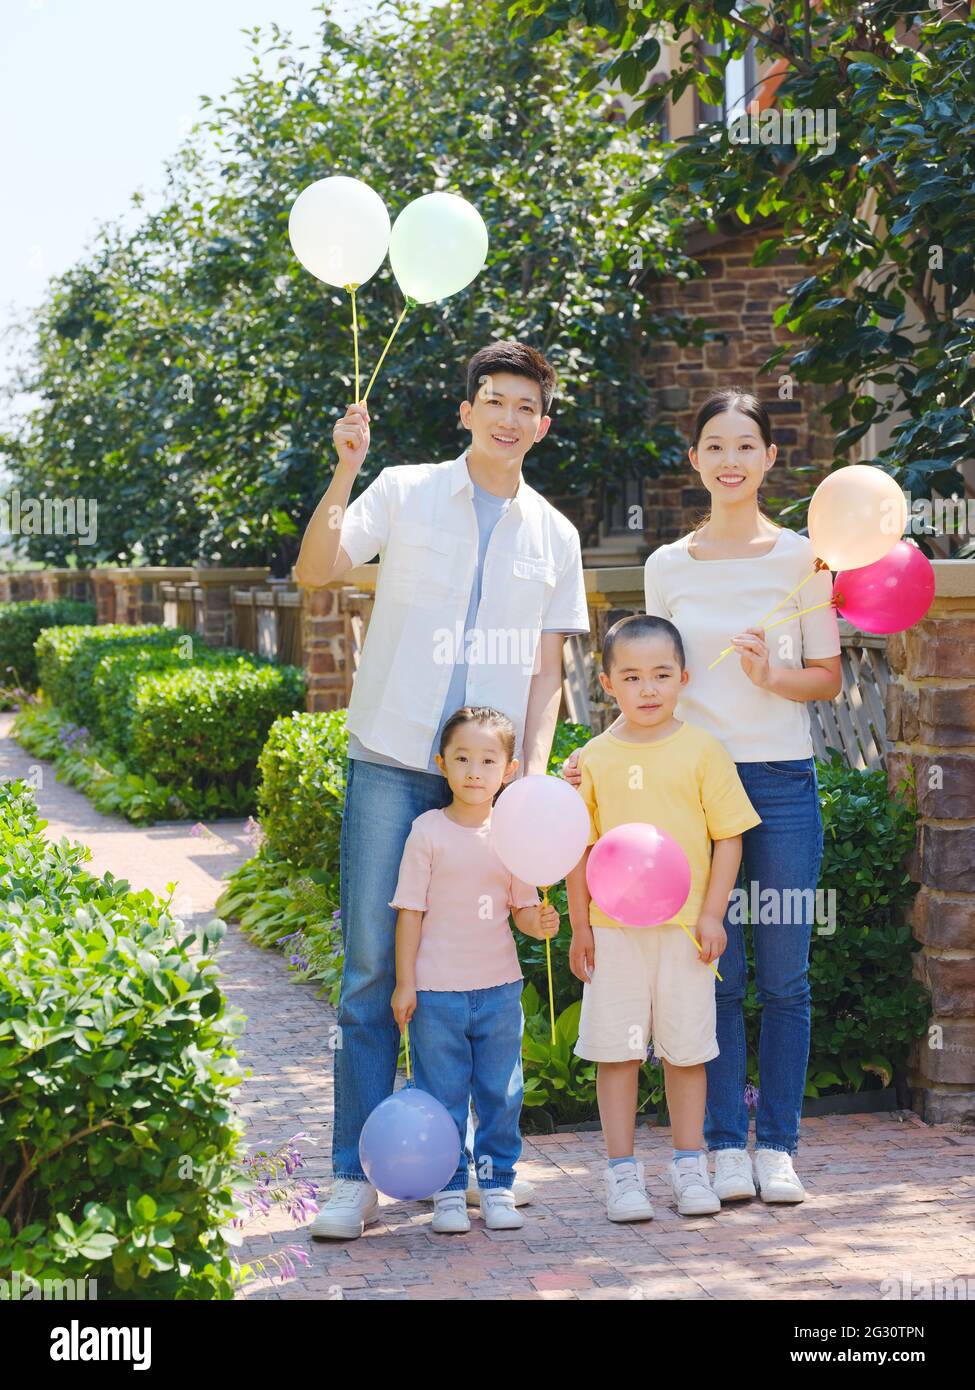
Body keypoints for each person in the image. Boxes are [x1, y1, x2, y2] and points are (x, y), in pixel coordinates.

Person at [293, 341, 589, 1240]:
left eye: (524, 405)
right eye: (492, 399)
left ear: (542, 422)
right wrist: (343, 471)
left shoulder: (555, 534)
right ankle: (354, 1174)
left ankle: (465, 1167)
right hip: (390, 757)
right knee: (375, 968)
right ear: (466, 409)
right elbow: (317, 571)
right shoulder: (404, 487)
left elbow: (548, 672)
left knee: (479, 970)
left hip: (490, 784)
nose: (507, 416)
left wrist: (530, 778)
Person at [563, 388, 842, 1205]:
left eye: (744, 446)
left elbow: (825, 678)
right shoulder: (665, 565)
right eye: (713, 446)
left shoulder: (802, 558)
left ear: (768, 459)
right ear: (695, 460)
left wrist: (769, 675)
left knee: (784, 978)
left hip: (780, 783)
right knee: (708, 973)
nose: (729, 460)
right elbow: (645, 680)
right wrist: (595, 767)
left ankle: (777, 1144)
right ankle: (722, 1147)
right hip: (683, 792)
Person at [567, 614, 761, 1220]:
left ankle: (689, 1166)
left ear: (683, 676)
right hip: (615, 934)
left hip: (684, 937)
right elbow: (578, 847)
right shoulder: (592, 760)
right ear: (607, 684)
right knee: (617, 1054)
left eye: (659, 675)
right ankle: (622, 1176)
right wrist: (579, 926)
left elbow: (728, 837)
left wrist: (712, 915)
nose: (647, 689)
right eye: (631, 676)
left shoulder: (703, 750)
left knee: (687, 1052)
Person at [389, 706, 559, 1234]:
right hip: (437, 992)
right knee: (443, 1097)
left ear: (508, 770)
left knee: (501, 1093)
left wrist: (544, 921)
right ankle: (447, 1192)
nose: (473, 771)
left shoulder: (511, 836)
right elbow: (410, 912)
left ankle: (497, 1185)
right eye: (462, 758)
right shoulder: (427, 832)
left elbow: (525, 914)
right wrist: (404, 983)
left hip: (499, 989)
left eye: (488, 760)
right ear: (442, 764)